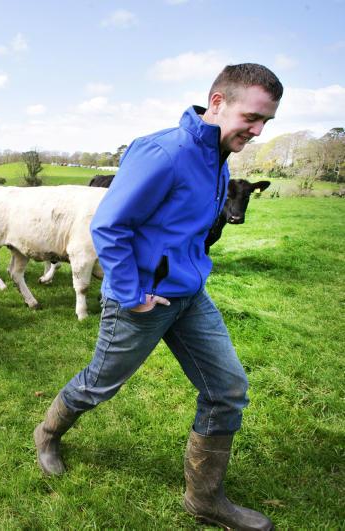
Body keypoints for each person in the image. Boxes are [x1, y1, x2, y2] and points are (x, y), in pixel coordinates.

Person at [33, 63, 282, 530]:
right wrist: (133, 294)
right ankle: (46, 435)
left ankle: (204, 498)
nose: (258, 129)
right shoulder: (163, 152)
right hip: (143, 300)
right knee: (99, 384)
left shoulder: (217, 159)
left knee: (227, 390)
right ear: (217, 102)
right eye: (252, 117)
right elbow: (108, 226)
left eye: (266, 121)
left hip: (190, 296)